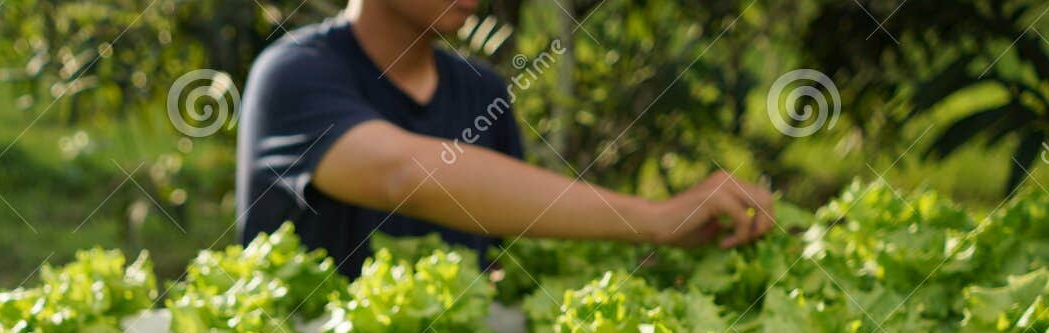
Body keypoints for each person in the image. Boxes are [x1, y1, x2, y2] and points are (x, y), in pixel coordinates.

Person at [237, 0, 777, 276]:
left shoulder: (480, 90)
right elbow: (403, 174)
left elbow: (501, 259)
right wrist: (658, 219)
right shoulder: (293, 72)